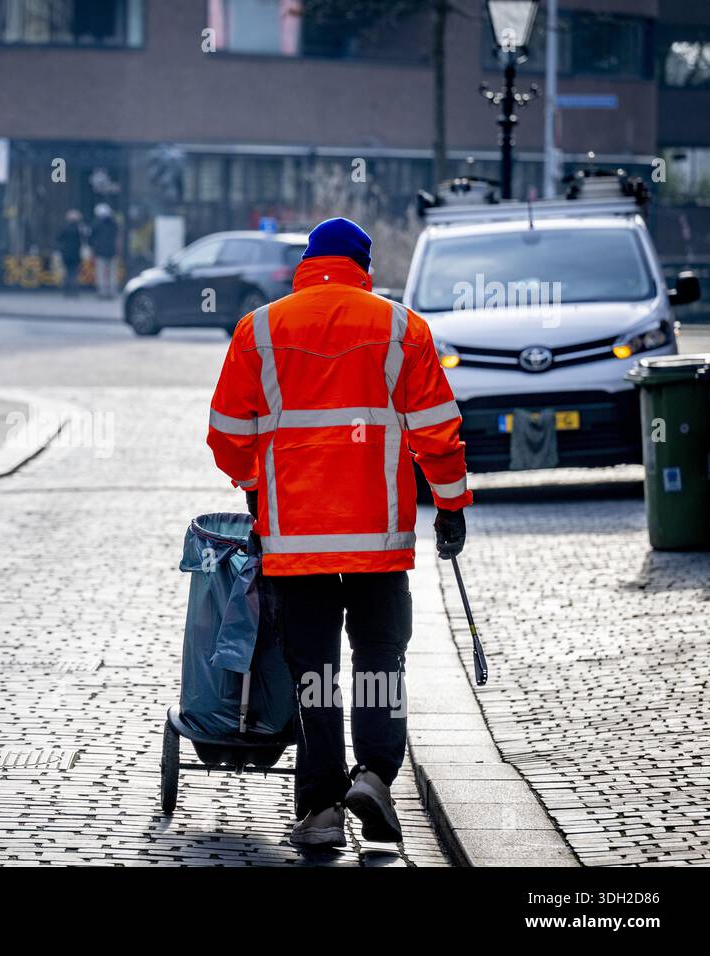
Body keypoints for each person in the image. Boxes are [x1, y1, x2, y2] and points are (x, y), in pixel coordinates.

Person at [206, 217, 471, 850]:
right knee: (380, 659)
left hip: (296, 543)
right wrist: (452, 504)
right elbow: (437, 428)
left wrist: (255, 482)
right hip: (377, 540)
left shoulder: (260, 328)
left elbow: (225, 435)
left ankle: (321, 810)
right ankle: (376, 775)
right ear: (364, 266)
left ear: (307, 261)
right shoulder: (401, 327)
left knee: (316, 672)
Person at [90, 203, 119, 299]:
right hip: (112, 251)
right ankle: (112, 292)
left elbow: (91, 237)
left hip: (100, 251)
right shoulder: (113, 223)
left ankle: (102, 292)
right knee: (112, 273)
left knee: (101, 272)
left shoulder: (96, 223)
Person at [55, 209, 86, 298]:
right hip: (76, 253)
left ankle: (66, 291)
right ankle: (74, 292)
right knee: (74, 273)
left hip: (66, 253)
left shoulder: (65, 227)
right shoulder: (79, 229)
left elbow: (58, 238)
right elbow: (84, 239)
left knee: (67, 272)